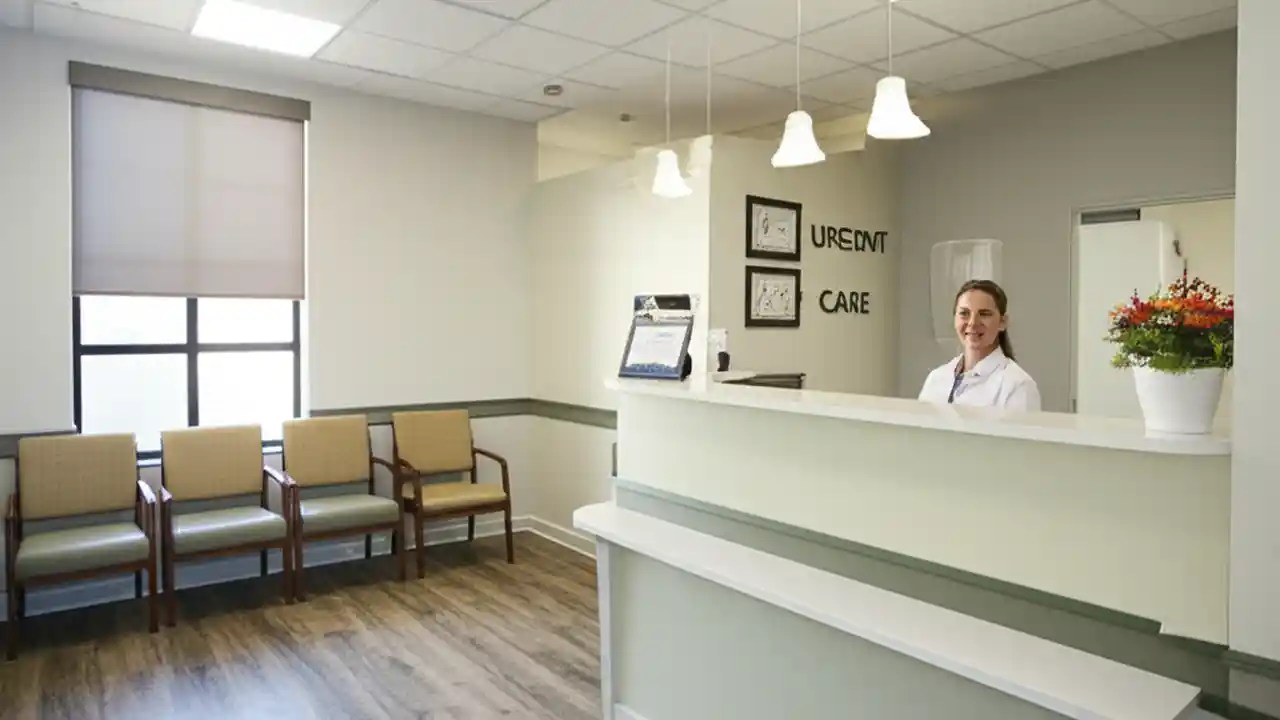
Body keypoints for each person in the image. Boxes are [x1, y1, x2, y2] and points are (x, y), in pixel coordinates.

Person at [918, 279, 1041, 411]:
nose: (973, 322)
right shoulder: (936, 379)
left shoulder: (1018, 386)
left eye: (984, 314)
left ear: (1002, 322)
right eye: (964, 313)